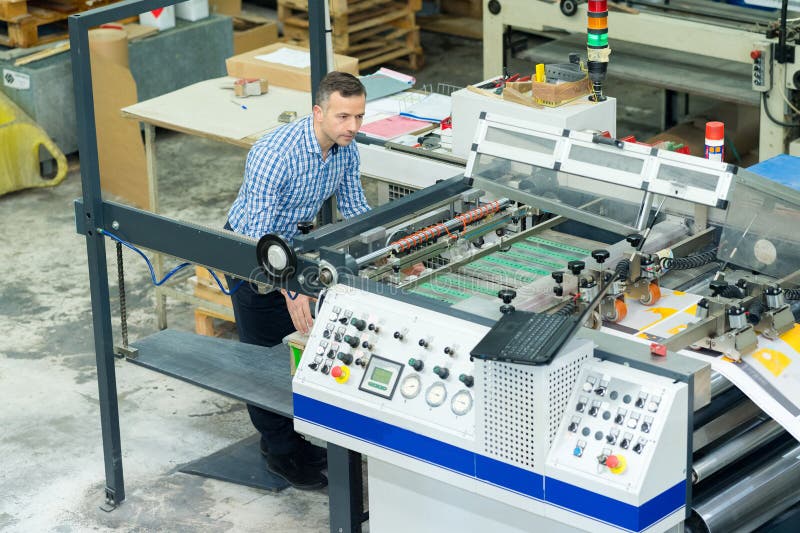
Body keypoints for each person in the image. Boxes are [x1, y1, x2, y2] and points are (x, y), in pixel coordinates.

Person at [226, 71, 370, 490]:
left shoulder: (345, 149)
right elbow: (259, 235)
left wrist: (388, 250)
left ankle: (297, 437)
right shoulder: (274, 153)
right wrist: (293, 289)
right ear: (318, 112)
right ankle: (278, 450)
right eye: (344, 117)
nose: (353, 127)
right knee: (264, 355)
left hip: (296, 250)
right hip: (251, 256)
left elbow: (356, 208)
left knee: (307, 347)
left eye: (359, 117)